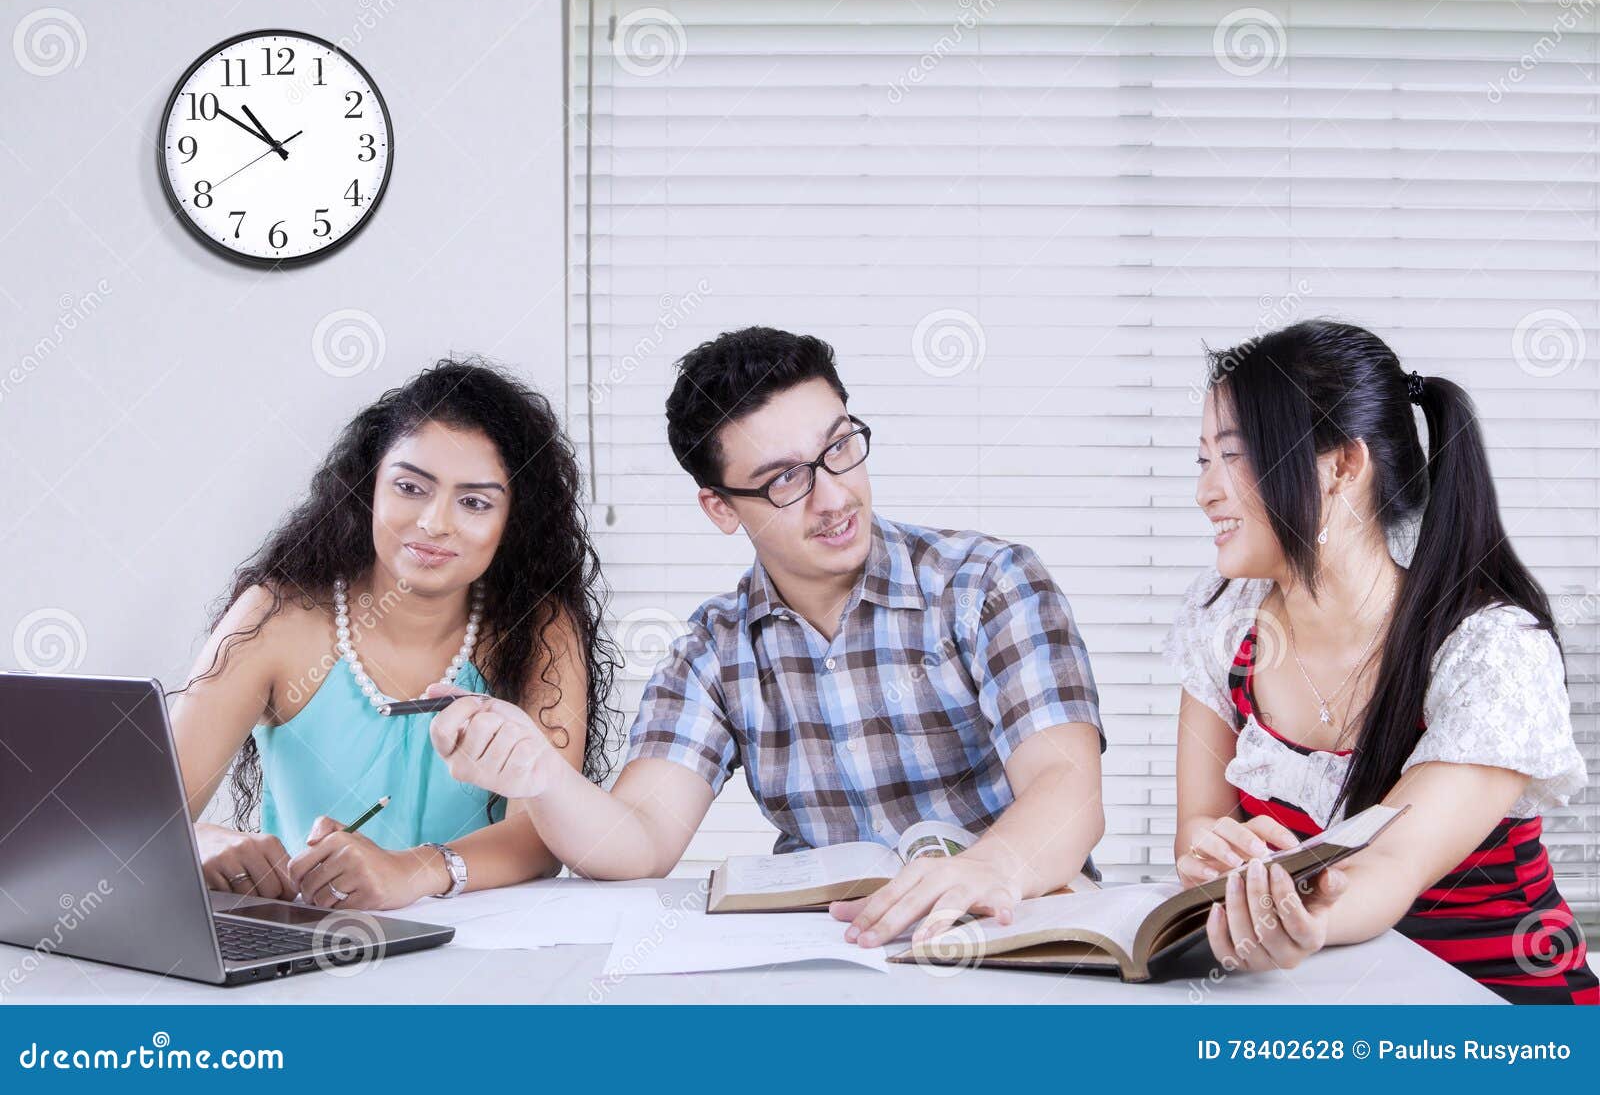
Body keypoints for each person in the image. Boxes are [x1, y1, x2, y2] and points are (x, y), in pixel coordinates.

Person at [429, 327, 1105, 947]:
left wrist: (985, 871)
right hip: (837, 956)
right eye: (785, 478)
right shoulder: (714, 648)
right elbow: (638, 839)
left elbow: (1068, 786)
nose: (834, 496)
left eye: (839, 448)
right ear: (721, 507)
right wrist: (540, 774)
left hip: (1009, 937)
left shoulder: (987, 582)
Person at [1167, 318, 1595, 1004]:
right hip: (1331, 1013)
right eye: (1202, 460)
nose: (1206, 492)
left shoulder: (1491, 651)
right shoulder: (1225, 620)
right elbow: (1198, 823)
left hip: (1505, 1021)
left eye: (1235, 456)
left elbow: (1391, 862)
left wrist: (1304, 916)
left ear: (1342, 465)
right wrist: (1209, 852)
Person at [170, 358, 619, 909]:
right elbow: (146, 812)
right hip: (308, 947)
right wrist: (201, 842)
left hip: (487, 955)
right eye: (411, 487)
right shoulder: (276, 616)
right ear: (369, 487)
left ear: (514, 522)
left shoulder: (539, 630)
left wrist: (411, 872)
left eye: (475, 502)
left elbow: (544, 834)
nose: (434, 522)